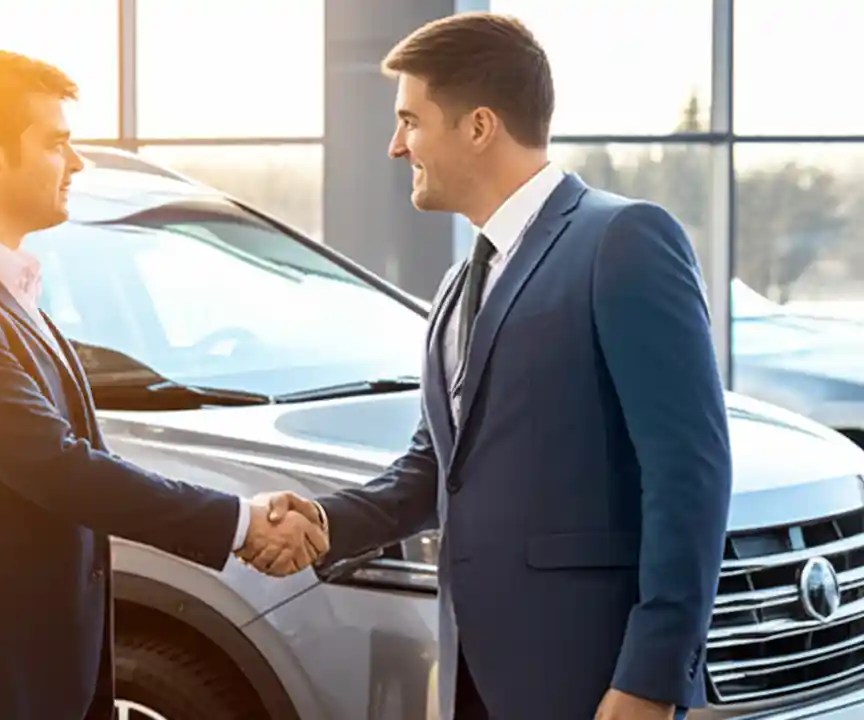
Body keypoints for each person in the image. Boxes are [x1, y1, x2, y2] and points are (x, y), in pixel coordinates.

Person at [254, 12, 731, 720]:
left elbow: (689, 473)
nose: (395, 146)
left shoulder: (623, 240)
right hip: (474, 675)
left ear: (478, 127)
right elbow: (436, 468)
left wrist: (652, 679)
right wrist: (327, 521)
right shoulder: (456, 285)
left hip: (592, 678)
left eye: (410, 121)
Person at [0, 50, 327, 720]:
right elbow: (58, 468)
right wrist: (240, 522)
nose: (76, 163)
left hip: (46, 676)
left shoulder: (6, 293)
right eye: (56, 143)